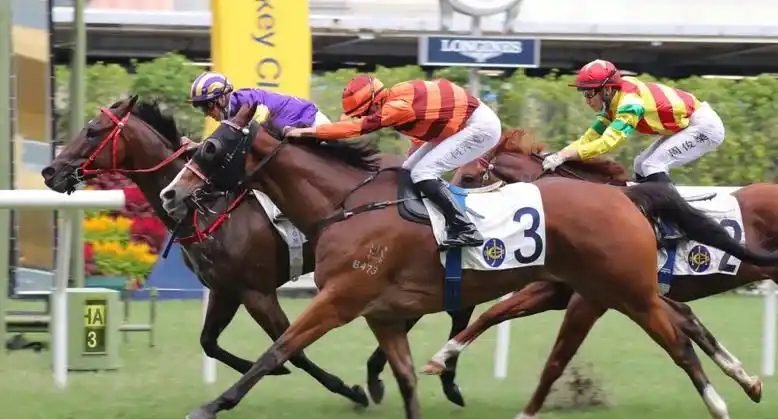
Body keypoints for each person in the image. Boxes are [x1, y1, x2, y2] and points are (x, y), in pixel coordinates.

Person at [284, 75, 502, 251]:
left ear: (376, 101)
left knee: (423, 173)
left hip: (479, 127)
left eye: (366, 111)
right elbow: (427, 123)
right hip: (460, 125)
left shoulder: (395, 108)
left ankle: (465, 228)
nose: (365, 115)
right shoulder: (396, 97)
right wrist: (415, 151)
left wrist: (308, 132)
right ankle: (426, 224)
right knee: (408, 170)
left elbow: (356, 129)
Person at [541, 59, 725, 185]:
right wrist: (559, 154)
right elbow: (590, 137)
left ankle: (673, 218)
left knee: (652, 165)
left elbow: (607, 143)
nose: (587, 100)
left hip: (704, 126)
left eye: (589, 93)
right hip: (687, 124)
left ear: (606, 90)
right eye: (584, 94)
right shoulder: (614, 101)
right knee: (639, 164)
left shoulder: (630, 103)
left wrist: (565, 156)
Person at [183, 71, 331, 150]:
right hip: (293, 132)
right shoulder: (232, 110)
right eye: (199, 106)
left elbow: (242, 140)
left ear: (221, 99)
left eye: (205, 105)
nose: (205, 113)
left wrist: (199, 146)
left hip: (313, 125)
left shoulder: (248, 103)